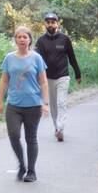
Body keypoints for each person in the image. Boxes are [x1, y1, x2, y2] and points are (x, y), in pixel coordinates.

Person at [0, 26, 49, 182]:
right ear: (15, 40)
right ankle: (22, 165)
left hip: (33, 104)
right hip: (13, 105)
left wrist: (45, 103)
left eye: (25, 37)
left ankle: (31, 171)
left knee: (31, 138)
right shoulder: (9, 58)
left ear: (30, 40)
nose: (22, 40)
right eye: (19, 37)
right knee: (13, 135)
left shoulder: (37, 58)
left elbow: (44, 82)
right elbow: (4, 80)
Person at [35, 12, 81, 141]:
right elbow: (37, 61)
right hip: (48, 78)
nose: (50, 24)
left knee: (62, 102)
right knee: (53, 105)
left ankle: (61, 127)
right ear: (45, 24)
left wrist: (78, 73)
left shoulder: (65, 39)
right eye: (48, 22)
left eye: (53, 22)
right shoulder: (41, 41)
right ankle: (57, 127)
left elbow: (72, 57)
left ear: (57, 24)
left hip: (62, 76)